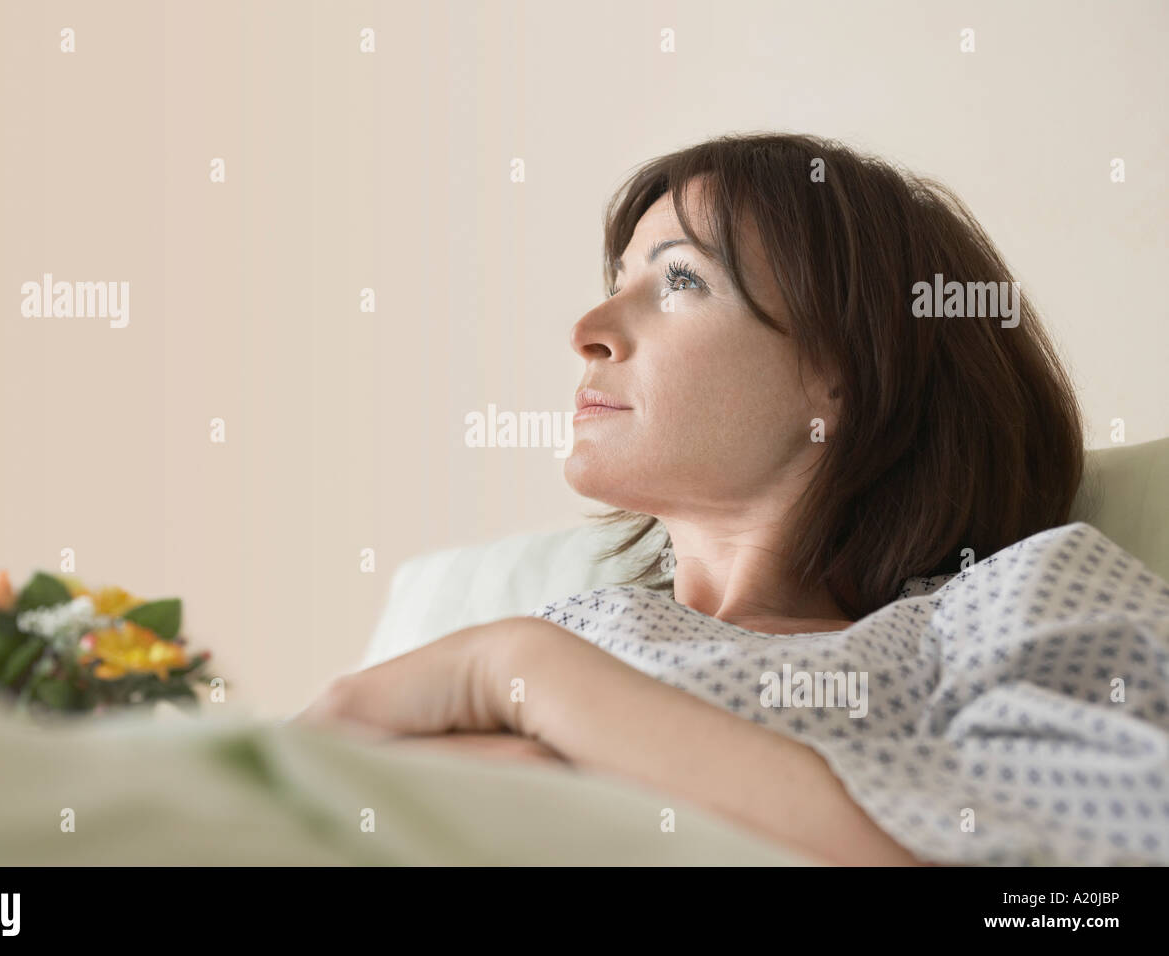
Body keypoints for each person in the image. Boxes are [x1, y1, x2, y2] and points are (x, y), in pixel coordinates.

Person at [293, 133, 1091, 866]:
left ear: (848, 368)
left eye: (680, 278)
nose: (589, 328)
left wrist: (521, 675)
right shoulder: (569, 625)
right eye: (618, 280)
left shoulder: (1016, 607)